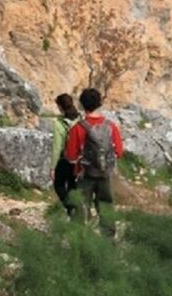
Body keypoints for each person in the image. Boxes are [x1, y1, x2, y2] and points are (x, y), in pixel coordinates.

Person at [64, 88, 123, 236]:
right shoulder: (111, 126)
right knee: (106, 206)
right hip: (105, 174)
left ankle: (80, 240)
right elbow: (119, 152)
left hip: (85, 175)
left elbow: (71, 156)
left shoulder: (77, 128)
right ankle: (107, 241)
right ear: (100, 103)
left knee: (81, 207)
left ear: (82, 105)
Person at [51, 93, 81, 215]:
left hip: (65, 159)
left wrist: (52, 167)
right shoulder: (80, 120)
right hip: (78, 159)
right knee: (72, 185)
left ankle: (70, 208)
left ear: (60, 106)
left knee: (58, 184)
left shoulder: (59, 123)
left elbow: (57, 147)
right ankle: (75, 213)